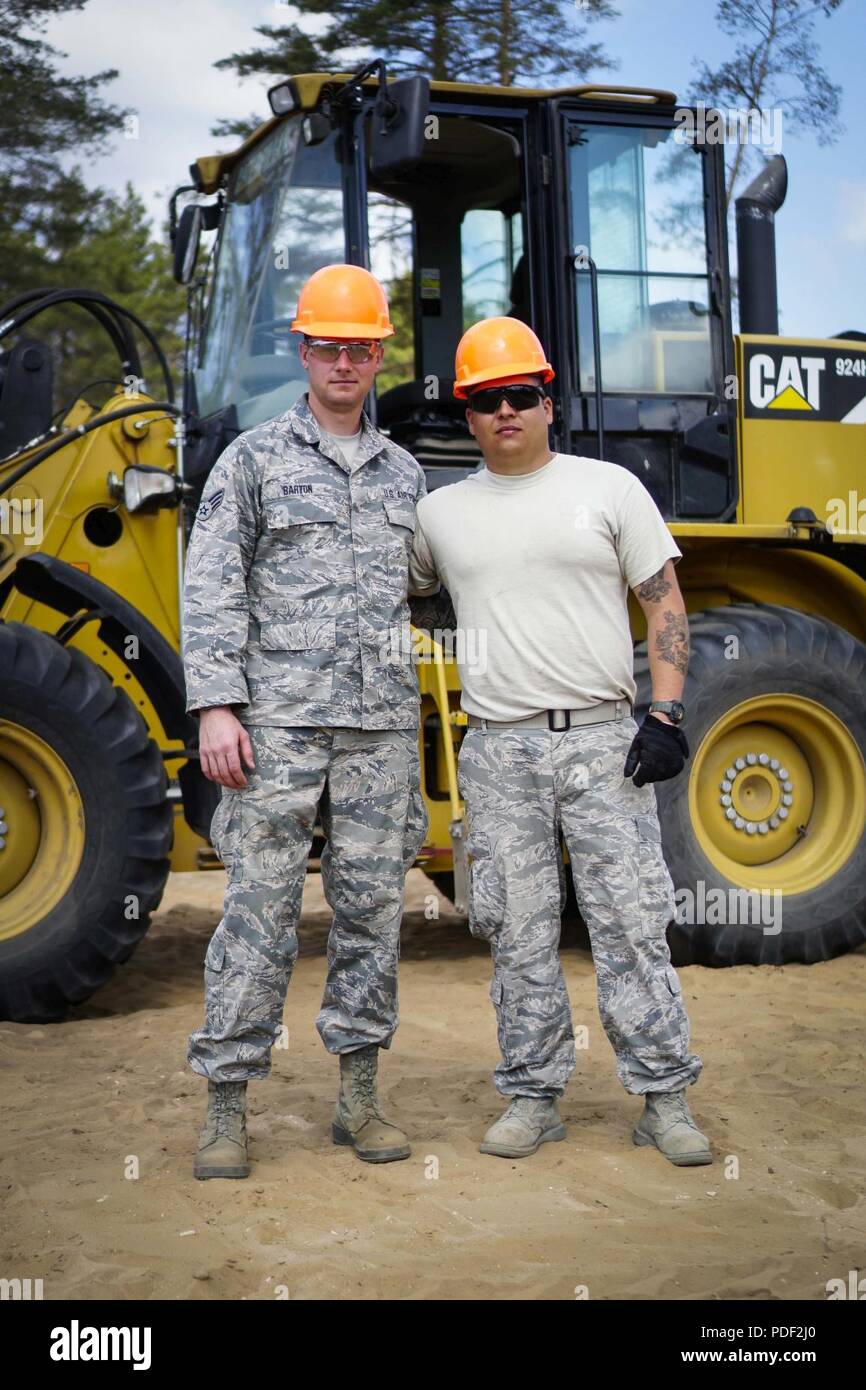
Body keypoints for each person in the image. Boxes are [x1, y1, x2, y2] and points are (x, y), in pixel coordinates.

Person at [408, 316, 710, 1167]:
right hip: (499, 749)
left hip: (605, 741)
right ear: (466, 414)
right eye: (486, 400)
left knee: (629, 922)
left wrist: (666, 714)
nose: (506, 411)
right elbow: (422, 599)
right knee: (517, 928)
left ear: (548, 403)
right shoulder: (440, 514)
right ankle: (533, 1097)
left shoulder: (610, 489)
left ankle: (664, 1097)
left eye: (521, 396)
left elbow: (664, 604)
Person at [183, 264, 428, 1178]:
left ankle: (359, 1099)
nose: (343, 361)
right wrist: (216, 705)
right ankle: (227, 1106)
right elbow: (209, 586)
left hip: (379, 731)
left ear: (377, 354)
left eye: (360, 347)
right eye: (327, 344)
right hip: (276, 730)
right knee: (257, 912)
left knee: (371, 914)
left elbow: (431, 593)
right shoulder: (251, 459)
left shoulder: (406, 472)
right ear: (303, 349)